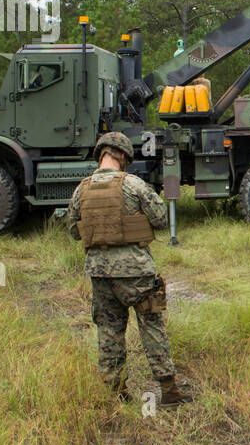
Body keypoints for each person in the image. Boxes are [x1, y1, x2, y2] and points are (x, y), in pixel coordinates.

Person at [65, 132, 192, 407]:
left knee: (109, 330)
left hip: (99, 272)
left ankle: (116, 393)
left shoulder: (81, 189)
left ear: (101, 154)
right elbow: (160, 219)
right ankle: (169, 391)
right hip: (136, 271)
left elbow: (73, 231)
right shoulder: (134, 184)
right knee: (151, 326)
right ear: (122, 156)